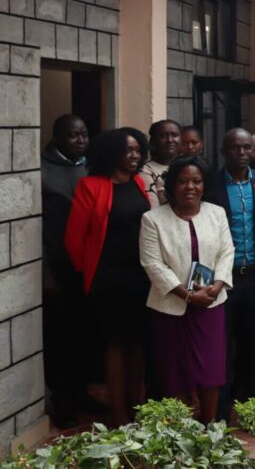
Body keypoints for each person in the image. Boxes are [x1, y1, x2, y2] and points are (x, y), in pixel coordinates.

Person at [65, 127, 152, 426]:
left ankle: (137, 406)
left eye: (137, 150)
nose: (134, 156)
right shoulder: (90, 186)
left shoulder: (138, 181)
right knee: (116, 344)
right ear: (112, 153)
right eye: (128, 150)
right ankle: (118, 414)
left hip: (140, 276)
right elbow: (74, 239)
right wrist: (90, 272)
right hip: (109, 279)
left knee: (138, 344)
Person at [139, 156, 234, 422]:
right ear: (172, 185)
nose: (189, 186)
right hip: (170, 308)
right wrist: (187, 294)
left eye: (196, 181)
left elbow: (227, 252)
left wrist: (215, 287)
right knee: (173, 372)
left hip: (210, 305)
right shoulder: (152, 219)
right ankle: (179, 431)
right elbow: (152, 263)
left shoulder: (216, 213)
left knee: (210, 370)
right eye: (182, 181)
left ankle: (209, 427)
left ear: (204, 185)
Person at [204, 128, 255, 419]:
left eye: (247, 147)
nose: (242, 153)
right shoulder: (210, 185)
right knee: (222, 349)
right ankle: (220, 415)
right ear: (224, 151)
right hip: (224, 281)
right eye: (235, 147)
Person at [41, 114, 93, 428]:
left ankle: (81, 392)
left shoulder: (90, 166)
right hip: (57, 267)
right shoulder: (42, 170)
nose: (81, 140)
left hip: (86, 267)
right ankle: (62, 401)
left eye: (84, 134)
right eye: (74, 135)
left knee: (84, 334)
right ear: (58, 137)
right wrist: (45, 274)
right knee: (59, 337)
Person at [140, 119, 181, 207]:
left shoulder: (188, 167)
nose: (170, 140)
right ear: (153, 141)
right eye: (163, 136)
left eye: (174, 135)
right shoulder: (145, 170)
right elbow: (153, 207)